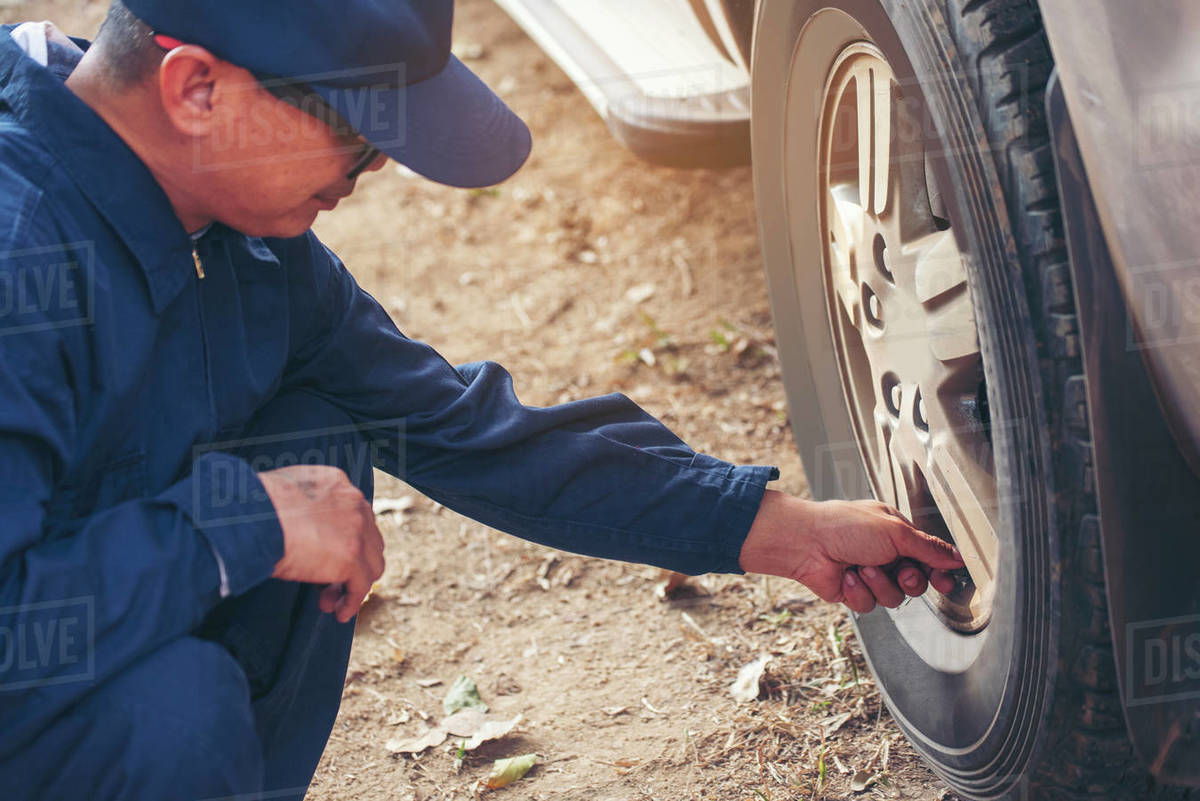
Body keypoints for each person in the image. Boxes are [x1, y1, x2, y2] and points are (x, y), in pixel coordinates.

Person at [0, 1, 964, 798]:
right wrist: (231, 526)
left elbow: (464, 428)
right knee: (175, 712)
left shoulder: (244, 243)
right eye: (355, 129)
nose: (368, 170)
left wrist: (776, 527)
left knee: (319, 444)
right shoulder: (22, 255)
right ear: (197, 87)